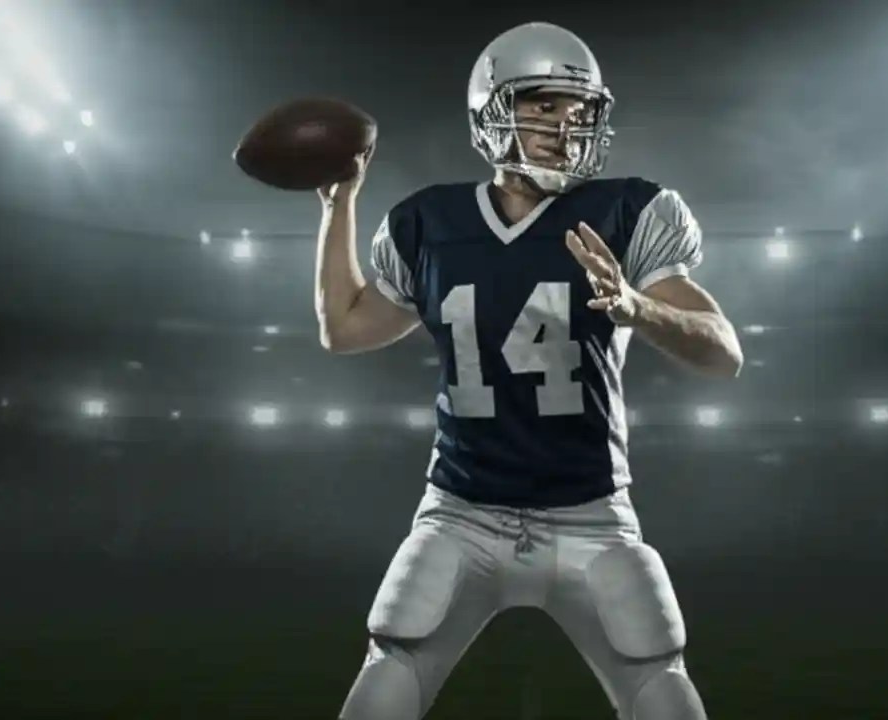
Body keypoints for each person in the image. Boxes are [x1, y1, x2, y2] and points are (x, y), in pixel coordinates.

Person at [316, 21, 742, 720]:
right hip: (461, 512)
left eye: (579, 111)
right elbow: (345, 329)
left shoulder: (626, 213)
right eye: (543, 104)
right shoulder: (430, 223)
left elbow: (723, 352)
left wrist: (641, 308)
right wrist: (340, 207)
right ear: (492, 109)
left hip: (593, 515)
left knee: (662, 686)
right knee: (386, 675)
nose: (563, 126)